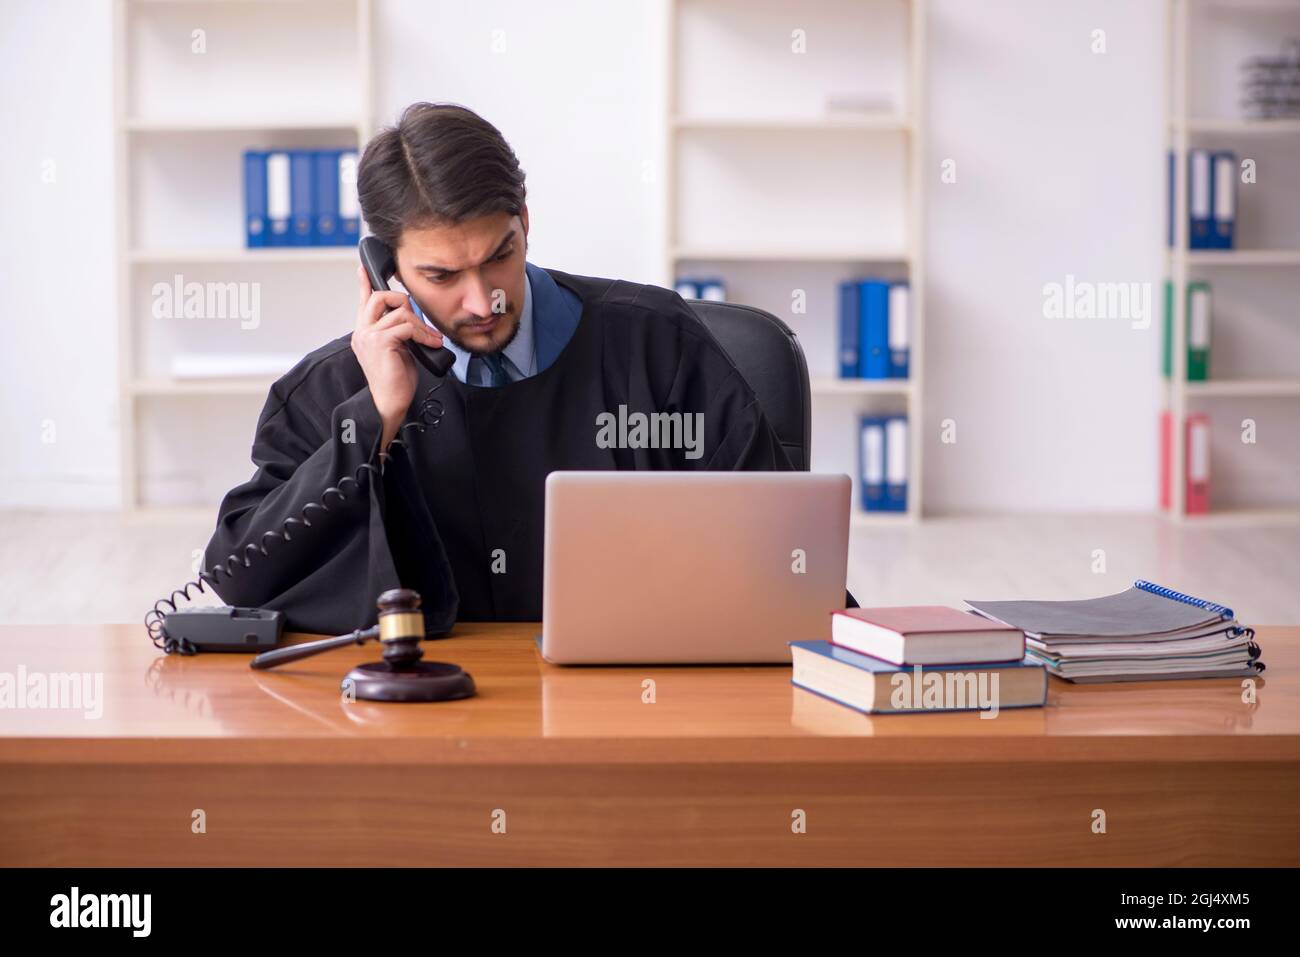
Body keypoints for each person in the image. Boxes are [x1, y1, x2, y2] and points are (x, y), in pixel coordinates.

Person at [204, 102, 795, 637]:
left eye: (499, 256)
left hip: (633, 690)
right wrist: (374, 420)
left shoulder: (656, 343)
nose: (482, 300)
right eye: (441, 276)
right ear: (387, 267)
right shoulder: (331, 388)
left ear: (525, 223)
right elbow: (241, 576)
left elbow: (782, 547)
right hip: (422, 703)